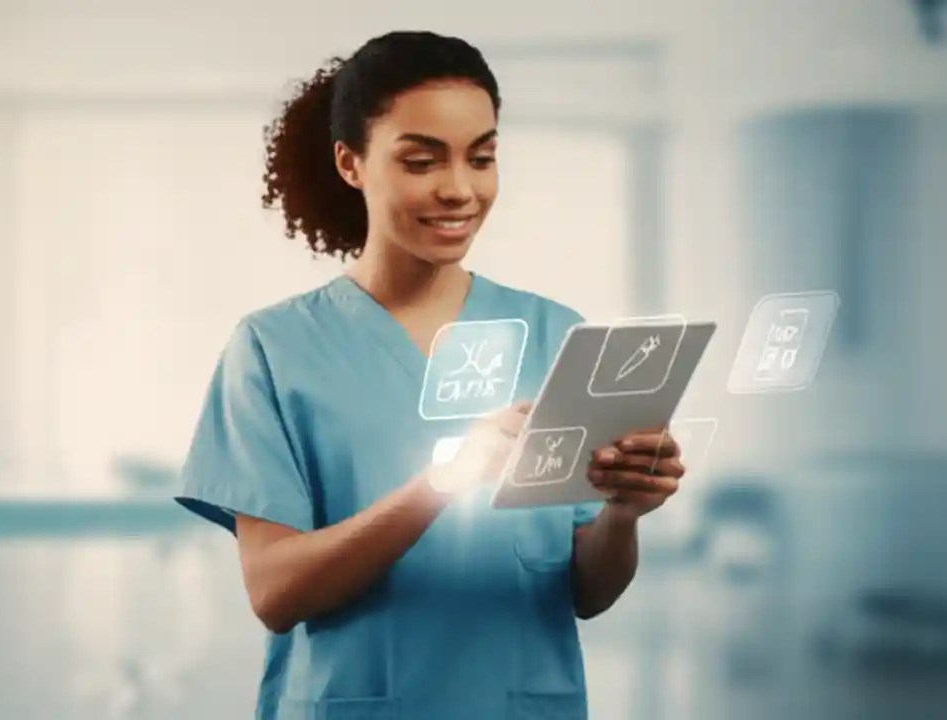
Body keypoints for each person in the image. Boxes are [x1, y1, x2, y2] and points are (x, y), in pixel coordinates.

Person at [175, 30, 686, 720]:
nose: (460, 190)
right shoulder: (274, 349)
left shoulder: (556, 334)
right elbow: (274, 592)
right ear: (351, 163)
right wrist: (443, 481)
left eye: (482, 158)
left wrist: (624, 512)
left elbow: (587, 592)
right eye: (422, 161)